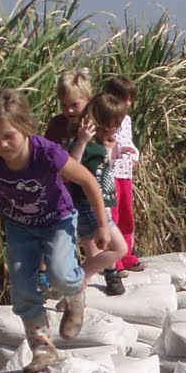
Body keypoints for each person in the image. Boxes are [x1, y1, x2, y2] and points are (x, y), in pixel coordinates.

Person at [0, 88, 123, 373]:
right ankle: (43, 348)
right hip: (19, 226)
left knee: (61, 273)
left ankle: (75, 296)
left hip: (57, 219)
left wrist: (101, 224)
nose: (2, 144)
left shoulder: (45, 153)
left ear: (25, 128)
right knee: (22, 289)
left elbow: (87, 181)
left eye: (8, 135)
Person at [73, 92, 128, 295]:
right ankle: (77, 277)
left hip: (97, 207)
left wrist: (109, 149)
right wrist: (81, 141)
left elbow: (102, 171)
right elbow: (71, 168)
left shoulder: (100, 145)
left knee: (95, 257)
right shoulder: (84, 143)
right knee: (119, 249)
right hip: (88, 207)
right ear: (105, 123)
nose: (118, 128)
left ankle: (71, 298)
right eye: (116, 124)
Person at [103, 75, 145, 273]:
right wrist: (118, 150)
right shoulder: (103, 120)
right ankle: (116, 260)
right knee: (114, 215)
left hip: (125, 173)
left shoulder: (126, 120)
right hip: (110, 174)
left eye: (129, 98)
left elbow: (129, 143)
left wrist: (134, 154)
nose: (127, 103)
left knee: (127, 215)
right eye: (123, 98)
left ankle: (127, 255)